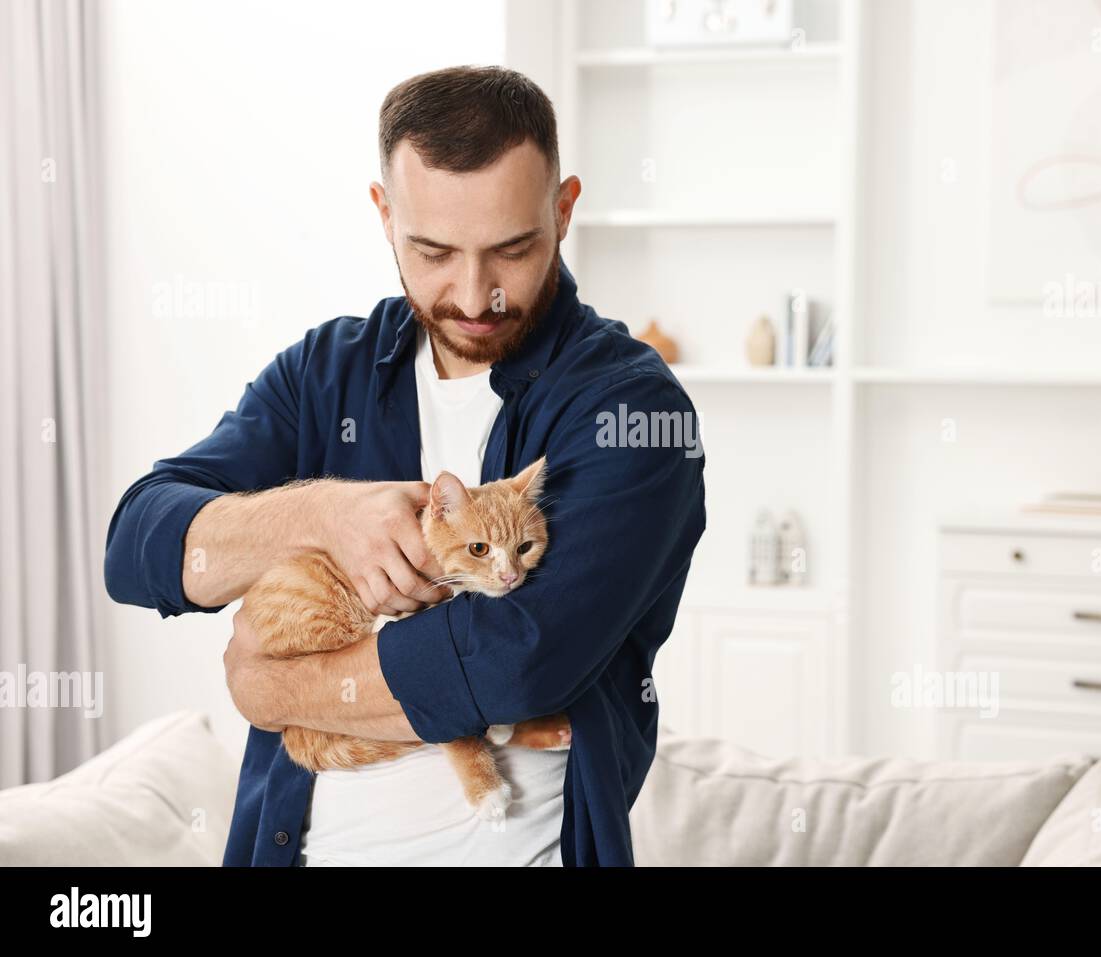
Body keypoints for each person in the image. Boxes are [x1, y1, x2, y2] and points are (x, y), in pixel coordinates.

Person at [104, 65, 707, 867]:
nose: (474, 294)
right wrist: (321, 516)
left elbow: (515, 659)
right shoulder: (326, 373)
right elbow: (138, 546)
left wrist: (269, 686)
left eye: (512, 249)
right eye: (432, 250)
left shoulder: (634, 411)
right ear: (384, 216)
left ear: (563, 212)